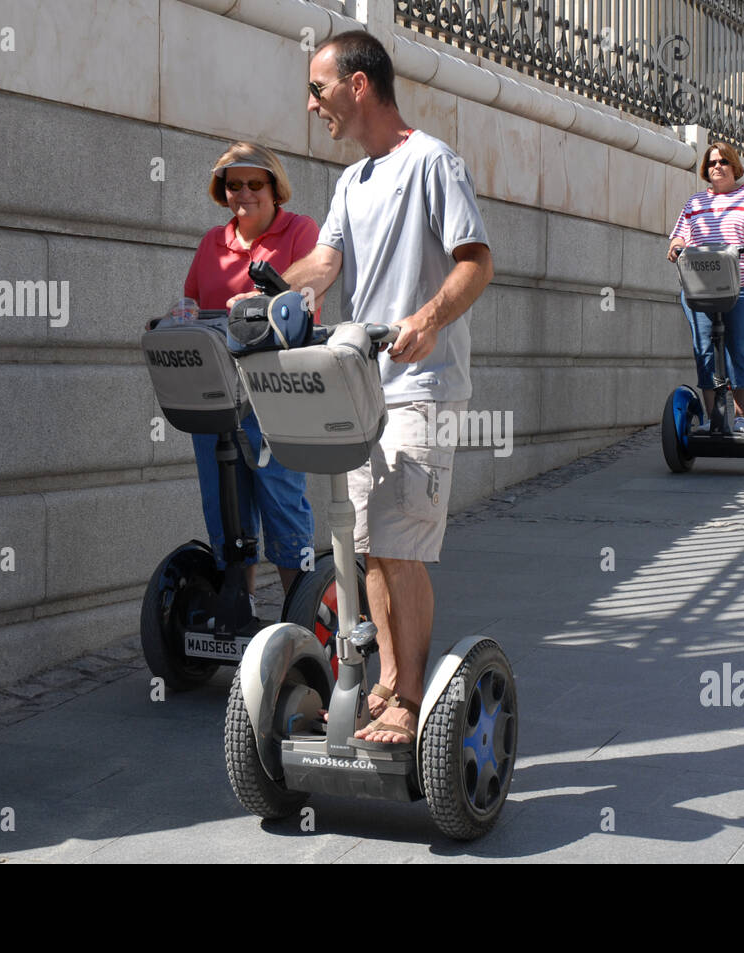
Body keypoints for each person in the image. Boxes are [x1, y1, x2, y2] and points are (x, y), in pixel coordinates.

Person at [231, 30, 493, 747]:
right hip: (361, 385)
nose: (311, 104)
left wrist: (430, 317)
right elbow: (326, 258)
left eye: (318, 89)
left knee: (398, 543)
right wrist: (275, 294)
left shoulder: (431, 162)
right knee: (366, 542)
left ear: (357, 85)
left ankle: (409, 697)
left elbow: (477, 260)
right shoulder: (354, 181)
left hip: (424, 383)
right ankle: (383, 680)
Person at [184, 141, 319, 602]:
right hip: (218, 393)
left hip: (277, 392)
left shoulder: (299, 231)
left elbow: (306, 294)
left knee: (281, 501)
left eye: (254, 183)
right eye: (233, 184)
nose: (244, 193)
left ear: (274, 187)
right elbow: (192, 306)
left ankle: (299, 619)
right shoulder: (211, 244)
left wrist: (262, 304)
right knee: (226, 509)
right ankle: (235, 615)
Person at [667, 142, 744, 432]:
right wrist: (676, 247)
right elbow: (680, 235)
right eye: (711, 163)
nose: (716, 167)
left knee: (738, 348)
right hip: (702, 287)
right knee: (705, 350)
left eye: (723, 162)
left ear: (734, 167)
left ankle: (742, 419)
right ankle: (714, 421)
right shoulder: (695, 203)